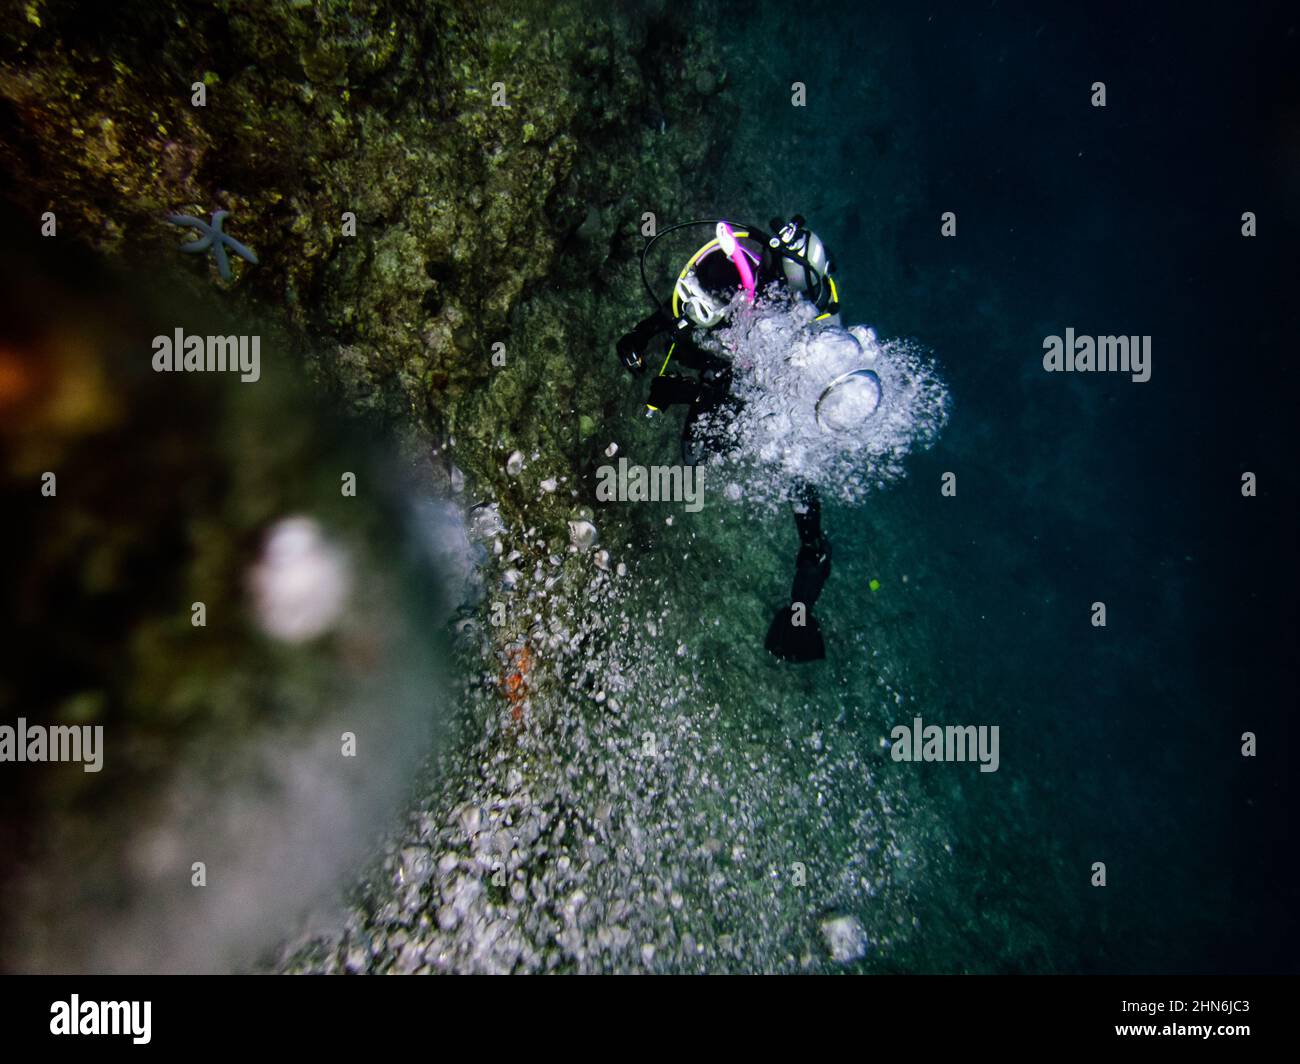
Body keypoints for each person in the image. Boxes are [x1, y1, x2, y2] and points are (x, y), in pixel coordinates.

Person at [615, 216, 841, 661]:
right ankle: (691, 397)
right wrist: (642, 334)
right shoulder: (732, 271)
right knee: (698, 454)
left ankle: (803, 594)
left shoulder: (802, 308)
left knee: (797, 483)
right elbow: (679, 309)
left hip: (770, 395)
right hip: (733, 381)